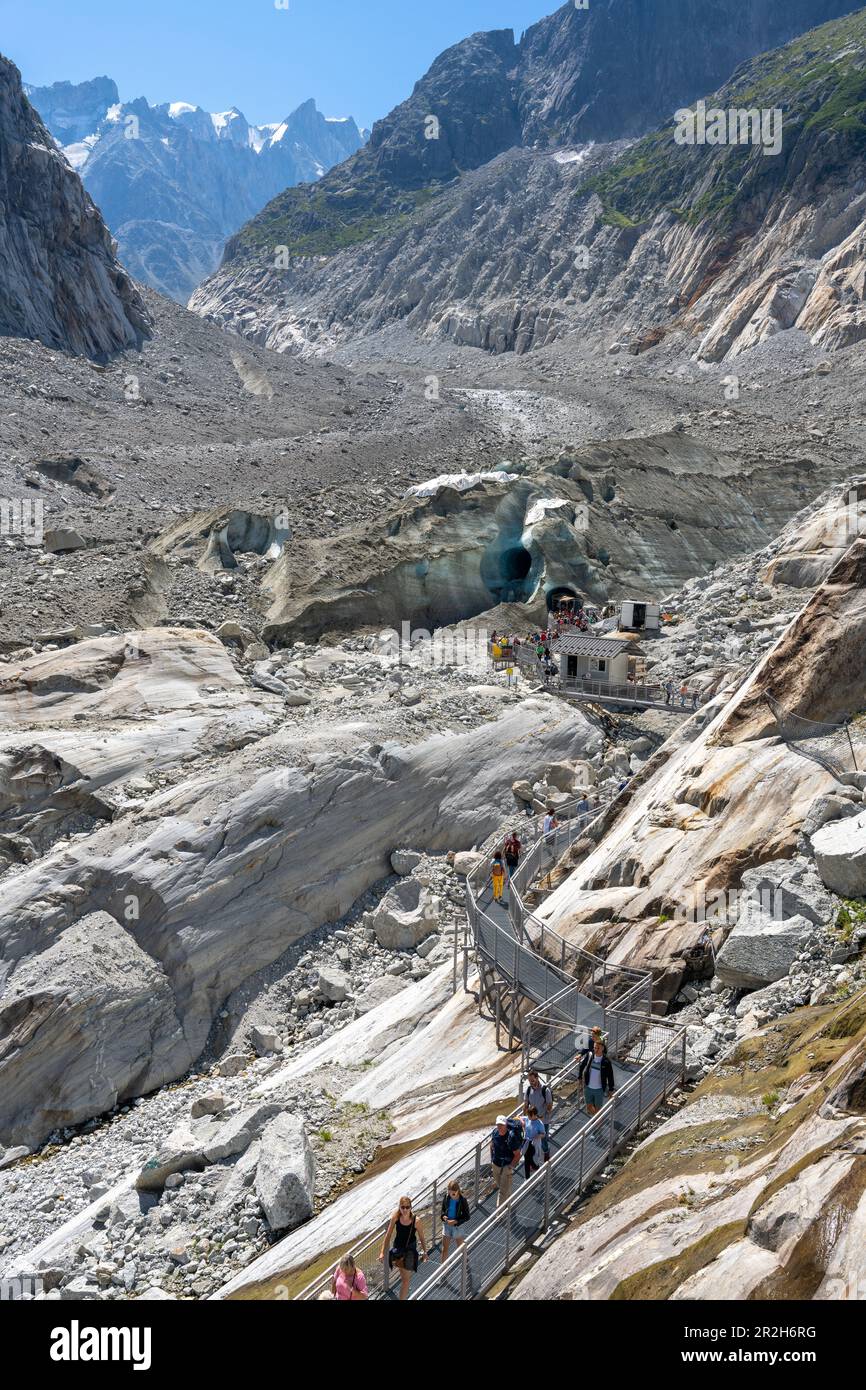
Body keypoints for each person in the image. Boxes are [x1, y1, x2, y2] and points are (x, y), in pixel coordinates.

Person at [379, 1197, 428, 1300]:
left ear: (411, 1207)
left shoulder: (416, 1221)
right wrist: (382, 1252)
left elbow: (422, 1237)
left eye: (407, 1207)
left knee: (405, 1279)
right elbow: (388, 1235)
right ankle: (405, 1294)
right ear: (399, 1207)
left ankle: (404, 1295)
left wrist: (425, 1251)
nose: (405, 1210)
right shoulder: (396, 1217)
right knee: (405, 1278)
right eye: (403, 1207)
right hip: (398, 1250)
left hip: (410, 1250)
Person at [579, 1031, 616, 1116]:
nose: (596, 1049)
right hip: (588, 1087)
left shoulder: (606, 1061)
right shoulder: (590, 1055)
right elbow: (582, 1065)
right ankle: (596, 1120)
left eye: (598, 1048)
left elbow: (610, 1076)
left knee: (598, 1110)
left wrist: (611, 1090)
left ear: (602, 1048)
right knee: (588, 1107)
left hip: (599, 1089)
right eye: (595, 1048)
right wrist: (580, 1078)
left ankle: (597, 1124)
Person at [490, 1114, 523, 1207]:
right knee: (503, 1187)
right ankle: (508, 1204)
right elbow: (491, 1145)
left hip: (506, 1166)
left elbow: (517, 1154)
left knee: (502, 1191)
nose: (500, 1127)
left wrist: (510, 1167)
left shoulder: (511, 1137)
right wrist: (491, 1159)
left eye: (502, 1125)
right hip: (495, 1164)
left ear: (506, 1125)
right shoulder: (495, 1133)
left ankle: (498, 1216)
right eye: (498, 1125)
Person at [524, 1069, 554, 1162]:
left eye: (532, 1080)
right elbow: (526, 1104)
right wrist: (525, 1115)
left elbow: (549, 1105)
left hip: (543, 1121)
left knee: (543, 1141)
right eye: (529, 1081)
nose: (531, 1082)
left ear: (537, 1078)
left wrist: (544, 1115)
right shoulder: (529, 1090)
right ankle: (533, 1161)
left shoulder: (545, 1090)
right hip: (532, 1120)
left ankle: (546, 1153)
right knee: (532, 1140)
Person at [440, 1180, 470, 1262]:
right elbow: (443, 1210)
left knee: (460, 1248)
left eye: (453, 1194)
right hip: (447, 1225)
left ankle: (465, 1261)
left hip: (457, 1227)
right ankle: (443, 1270)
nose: (451, 1195)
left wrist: (456, 1221)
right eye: (449, 1193)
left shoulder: (462, 1200)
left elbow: (467, 1216)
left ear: (457, 1191)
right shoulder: (446, 1197)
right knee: (444, 1249)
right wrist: (444, 1217)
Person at [521, 1106, 547, 1179]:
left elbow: (543, 1134)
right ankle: (527, 1178)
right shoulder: (527, 1119)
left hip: (534, 1144)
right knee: (527, 1160)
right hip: (526, 1142)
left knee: (533, 1160)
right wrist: (522, 1122)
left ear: (534, 1114)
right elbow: (519, 1118)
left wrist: (538, 1135)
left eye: (529, 1115)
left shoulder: (539, 1123)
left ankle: (537, 1168)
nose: (528, 1116)